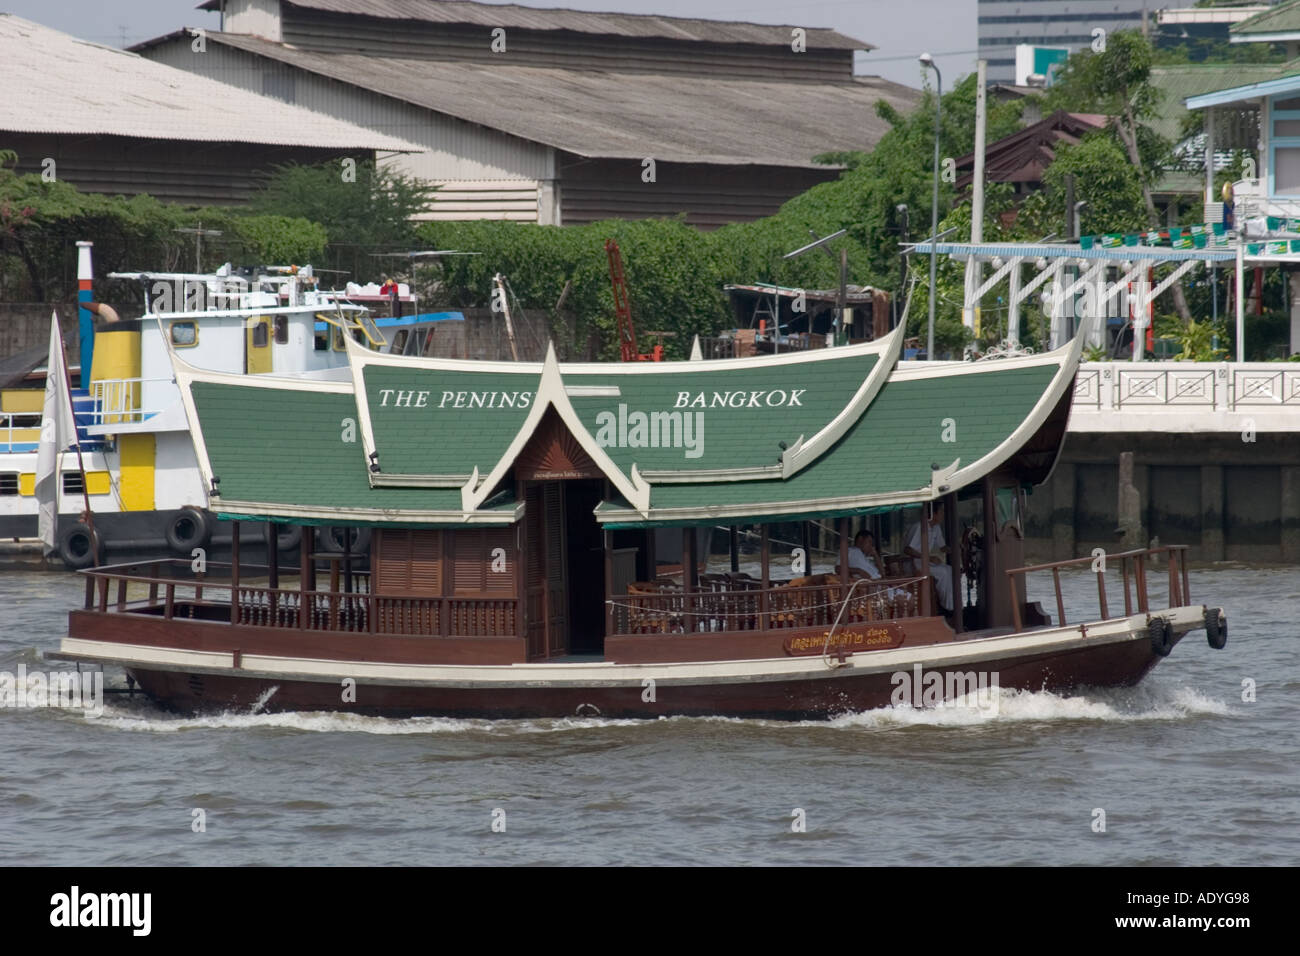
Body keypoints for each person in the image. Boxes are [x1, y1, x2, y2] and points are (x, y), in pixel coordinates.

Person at [904, 504, 953, 612]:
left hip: (926, 562)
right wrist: (929, 558)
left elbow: (942, 547)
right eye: (941, 512)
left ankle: (950, 604)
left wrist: (957, 548)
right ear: (933, 514)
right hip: (914, 563)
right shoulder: (919, 526)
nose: (943, 515)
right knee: (943, 572)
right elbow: (907, 550)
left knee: (949, 570)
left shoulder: (936, 527)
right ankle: (947, 608)